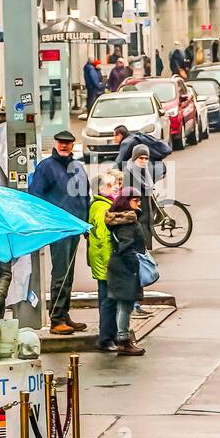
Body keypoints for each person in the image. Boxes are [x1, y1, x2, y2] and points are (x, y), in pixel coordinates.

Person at [28, 129, 89, 335]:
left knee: (68, 273)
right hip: (59, 229)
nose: (64, 146)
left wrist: (85, 223)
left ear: (73, 145)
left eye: (68, 143)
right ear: (55, 143)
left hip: (75, 227)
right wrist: (46, 223)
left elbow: (84, 196)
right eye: (61, 142)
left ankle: (63, 313)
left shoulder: (78, 167)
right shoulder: (46, 167)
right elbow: (35, 197)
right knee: (61, 272)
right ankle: (56, 319)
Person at [104, 191, 147, 356]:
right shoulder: (127, 223)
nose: (138, 203)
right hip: (124, 267)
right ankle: (123, 339)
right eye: (135, 200)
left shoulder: (121, 220)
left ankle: (123, 337)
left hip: (119, 266)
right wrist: (135, 266)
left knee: (124, 304)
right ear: (126, 202)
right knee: (125, 304)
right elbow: (126, 247)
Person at [88, 170, 122, 352]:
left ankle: (110, 336)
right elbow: (104, 239)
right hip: (106, 263)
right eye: (109, 185)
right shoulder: (102, 208)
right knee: (109, 301)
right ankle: (107, 338)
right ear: (101, 189)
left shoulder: (101, 204)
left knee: (108, 300)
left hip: (102, 262)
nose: (114, 187)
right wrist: (113, 264)